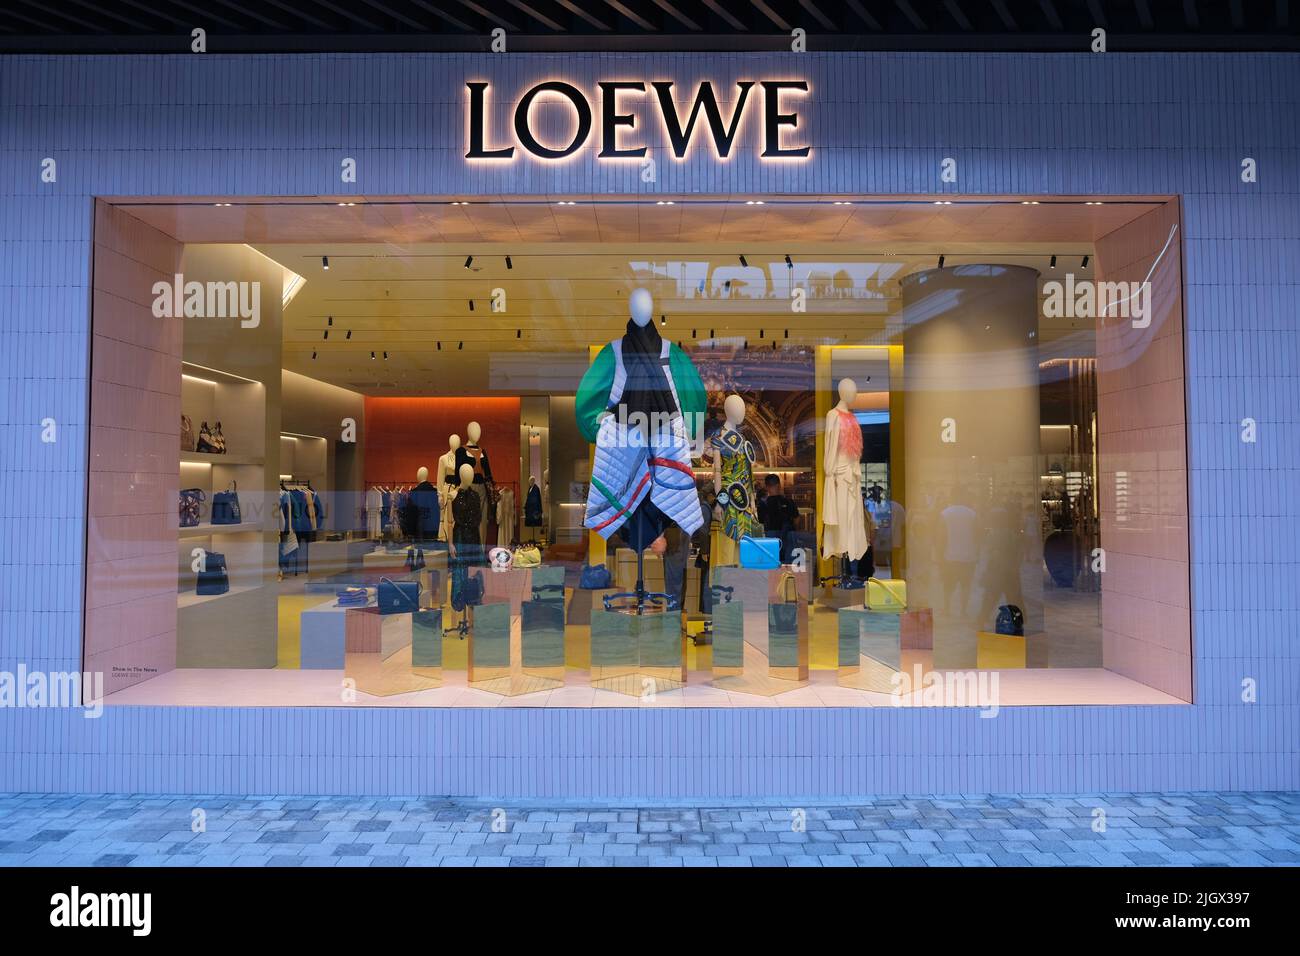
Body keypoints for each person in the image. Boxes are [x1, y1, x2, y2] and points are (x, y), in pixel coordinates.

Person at [757, 474, 799, 563]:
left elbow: (760, 522)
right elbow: (797, 520)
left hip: (771, 538)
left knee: (773, 565)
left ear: (767, 487)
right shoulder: (789, 502)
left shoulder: (763, 504)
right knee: (789, 567)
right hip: (789, 537)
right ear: (779, 485)